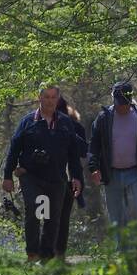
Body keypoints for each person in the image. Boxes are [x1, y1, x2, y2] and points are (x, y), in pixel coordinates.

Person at [2, 84, 85, 261]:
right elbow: (14, 149)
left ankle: (46, 257)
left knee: (52, 217)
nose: (50, 101)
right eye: (46, 97)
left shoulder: (64, 122)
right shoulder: (28, 121)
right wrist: (7, 176)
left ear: (58, 99)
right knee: (34, 211)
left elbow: (73, 153)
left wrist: (76, 177)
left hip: (56, 178)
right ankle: (32, 253)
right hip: (32, 177)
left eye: (53, 97)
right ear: (39, 98)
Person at [88, 80, 137, 245]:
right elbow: (94, 145)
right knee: (117, 216)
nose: (121, 107)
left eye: (124, 103)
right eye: (118, 103)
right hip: (112, 173)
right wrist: (94, 167)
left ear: (130, 100)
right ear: (113, 99)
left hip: (136, 172)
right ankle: (122, 252)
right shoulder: (103, 119)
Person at [54, 95, 87, 260]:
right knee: (46, 214)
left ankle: (59, 253)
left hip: (67, 178)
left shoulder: (74, 126)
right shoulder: (38, 123)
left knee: (63, 216)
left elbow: (83, 151)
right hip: (44, 178)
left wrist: (70, 133)